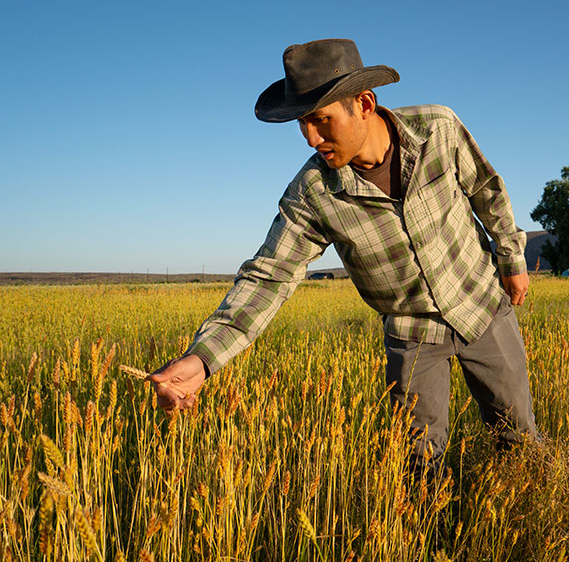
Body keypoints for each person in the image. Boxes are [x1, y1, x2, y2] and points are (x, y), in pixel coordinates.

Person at [148, 38, 539, 470]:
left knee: (518, 439)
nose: (311, 138)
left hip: (482, 306)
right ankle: (431, 536)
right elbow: (269, 277)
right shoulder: (312, 193)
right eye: (303, 123)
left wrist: (512, 260)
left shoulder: (438, 129)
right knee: (419, 466)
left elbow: (486, 190)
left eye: (321, 120)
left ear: (365, 104)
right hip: (411, 336)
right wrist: (204, 358)